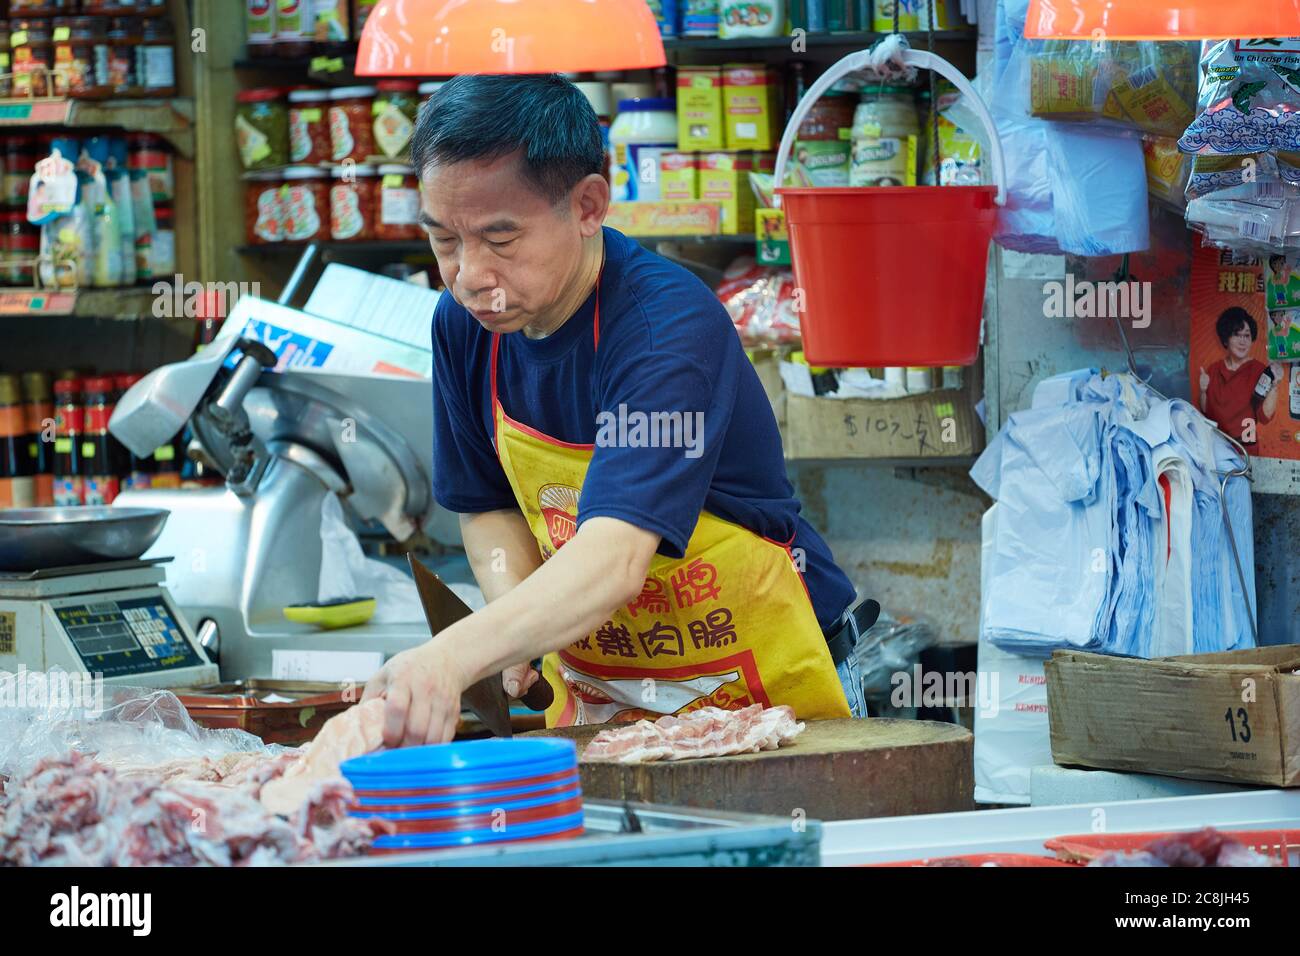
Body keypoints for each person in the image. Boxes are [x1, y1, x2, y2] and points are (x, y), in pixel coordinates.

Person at [363, 74, 873, 746]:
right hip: (608, 698)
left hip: (771, 693)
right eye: (445, 241)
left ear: (588, 206)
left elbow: (613, 559)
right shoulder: (465, 325)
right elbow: (488, 507)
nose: (469, 275)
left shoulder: (666, 329)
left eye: (501, 238)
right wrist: (510, 627)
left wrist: (456, 656)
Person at [1199, 306, 1281, 445]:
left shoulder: (1260, 370)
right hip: (1216, 447)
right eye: (1237, 335)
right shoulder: (1213, 370)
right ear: (1226, 339)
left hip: (1246, 450)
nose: (1243, 341)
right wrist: (1203, 391)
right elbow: (1206, 411)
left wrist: (1274, 386)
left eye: (1247, 335)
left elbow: (1264, 417)